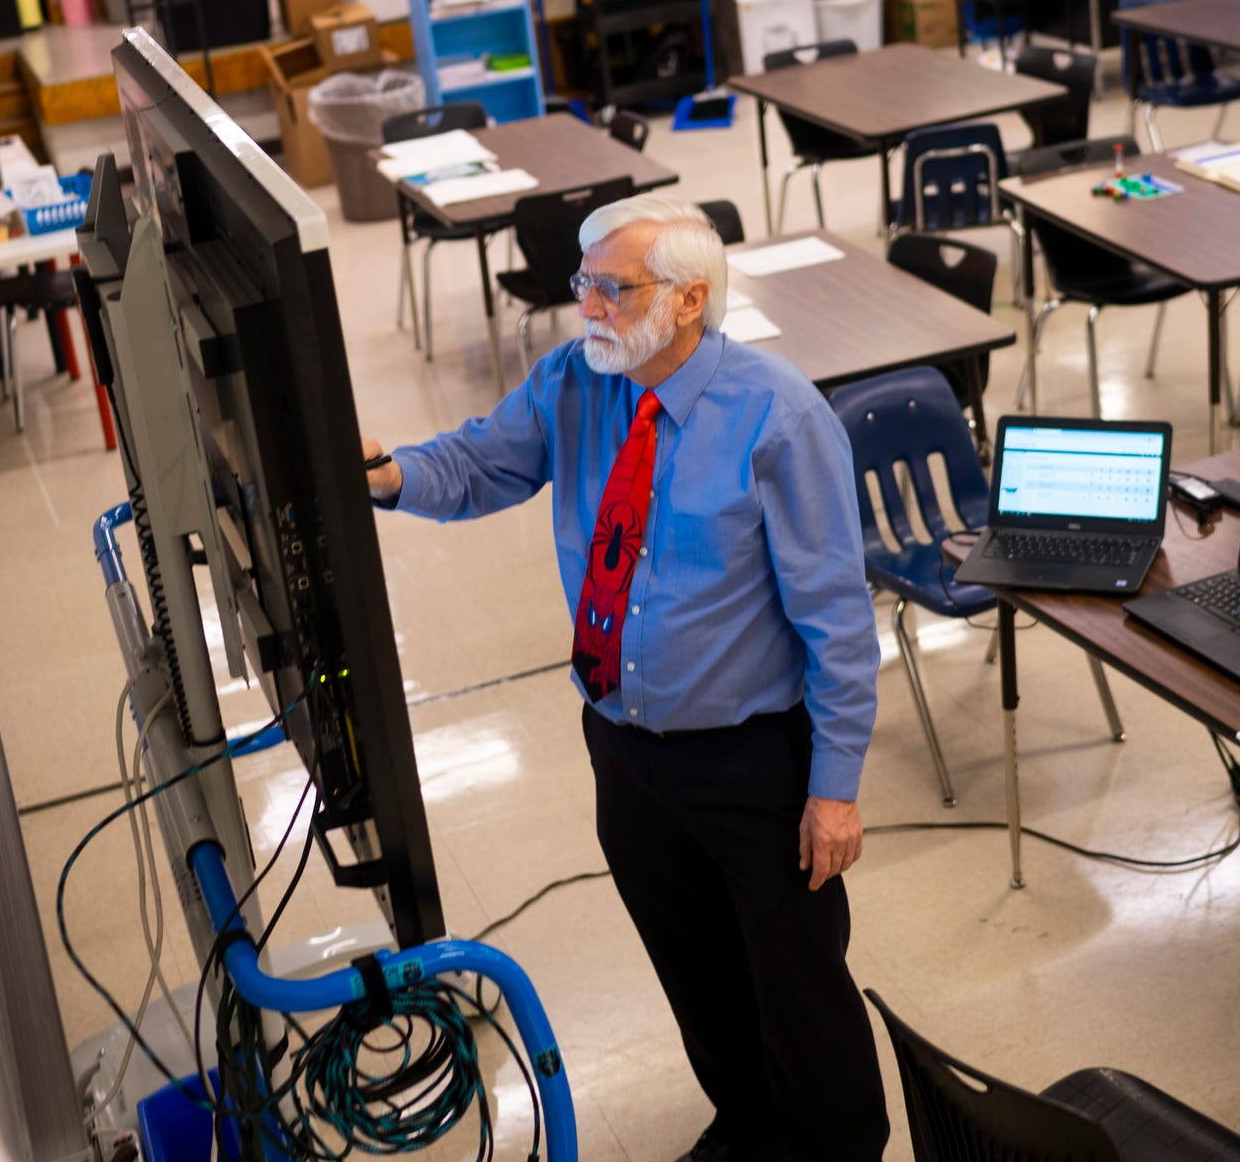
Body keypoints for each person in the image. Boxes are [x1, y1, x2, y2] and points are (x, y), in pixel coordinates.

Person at [364, 194, 887, 1162]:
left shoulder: (778, 414)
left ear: (690, 299)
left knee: (796, 979)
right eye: (583, 284)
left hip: (755, 761)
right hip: (626, 749)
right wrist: (391, 475)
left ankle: (838, 1146)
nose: (589, 308)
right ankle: (749, 1123)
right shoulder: (575, 381)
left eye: (614, 288)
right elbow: (486, 460)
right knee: (694, 966)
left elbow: (838, 619)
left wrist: (836, 786)